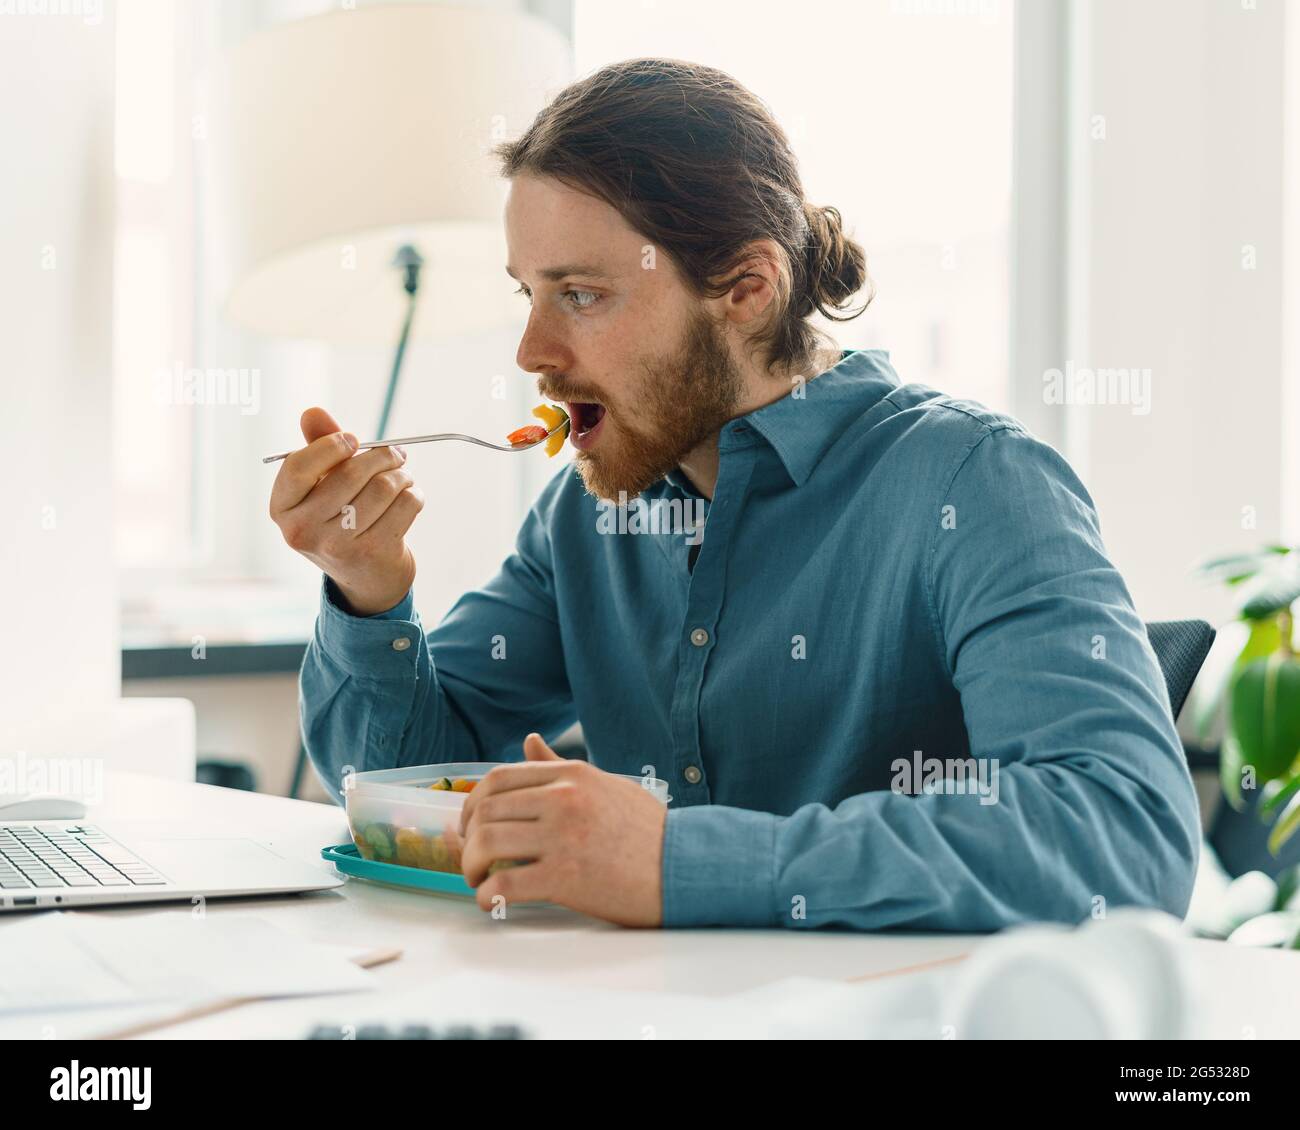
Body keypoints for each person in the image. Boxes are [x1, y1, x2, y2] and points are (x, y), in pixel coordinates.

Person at [269, 58, 1199, 930]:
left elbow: (1123, 840)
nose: (532, 354)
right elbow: (394, 792)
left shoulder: (976, 484)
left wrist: (673, 860)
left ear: (749, 287)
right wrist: (367, 589)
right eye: (528, 294)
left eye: (581, 296)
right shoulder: (587, 515)